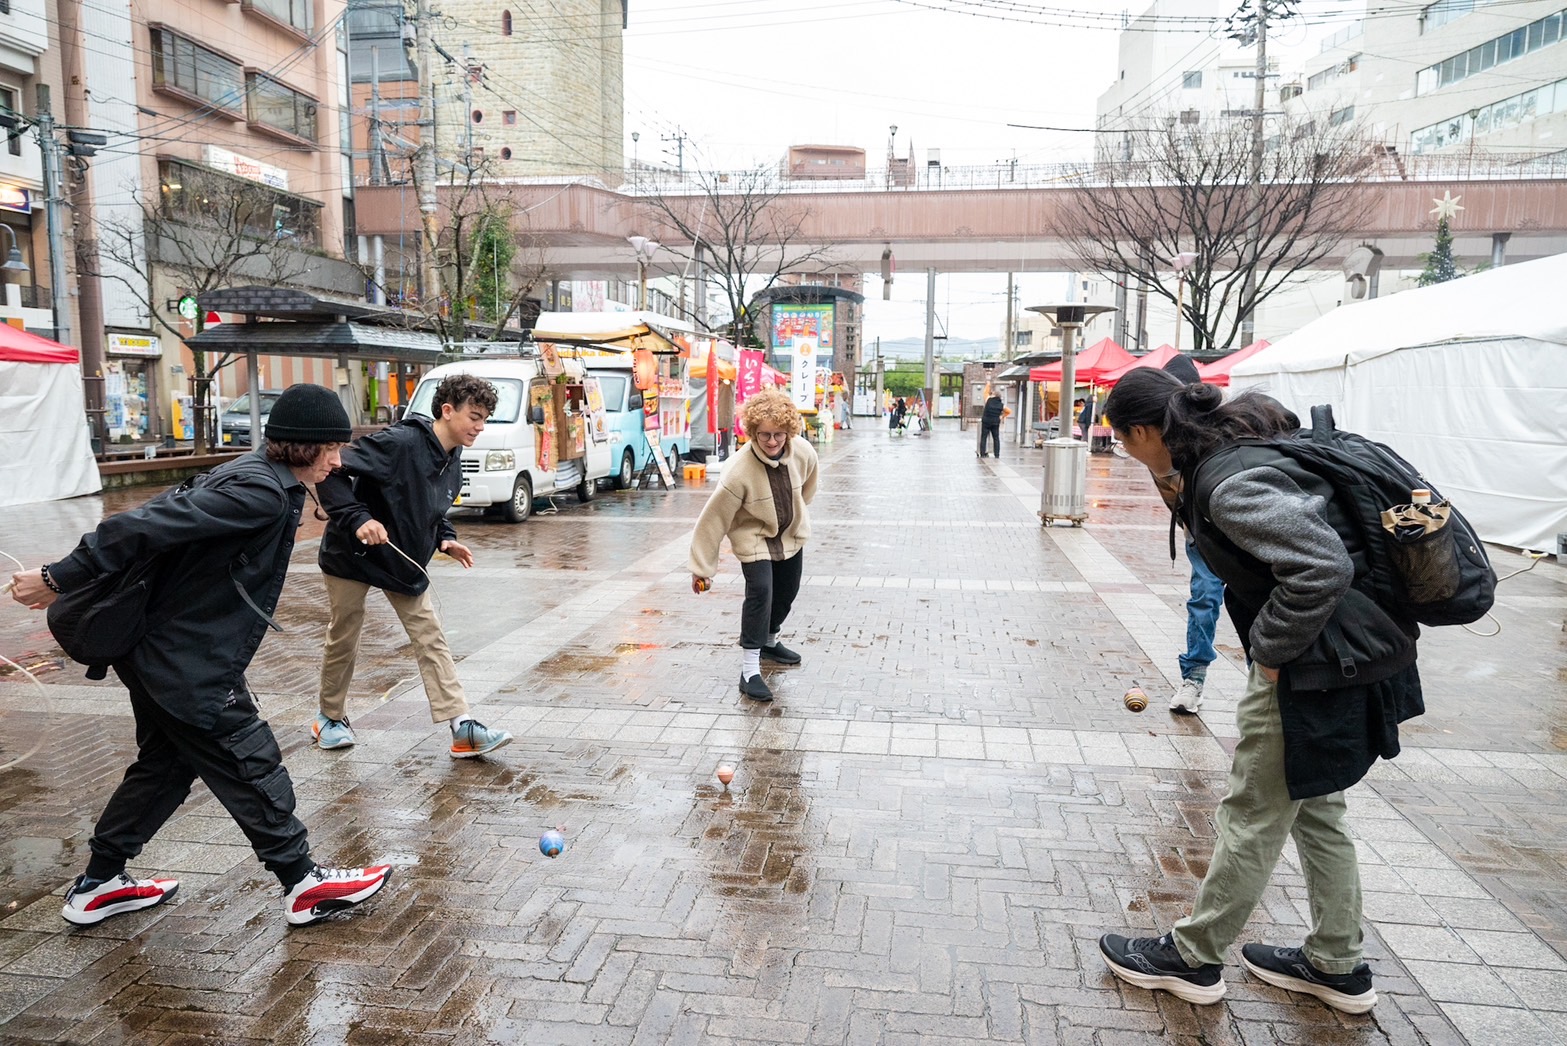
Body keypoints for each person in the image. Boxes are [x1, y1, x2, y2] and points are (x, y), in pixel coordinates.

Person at [1095, 368, 1423, 1013]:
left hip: (1311, 668)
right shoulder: (1226, 457)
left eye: (1124, 442)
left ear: (1140, 430)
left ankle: (1193, 957)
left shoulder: (1230, 479)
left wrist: (1269, 655)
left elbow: (1320, 566)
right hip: (1348, 657)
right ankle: (1336, 962)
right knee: (1319, 809)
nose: (1126, 455)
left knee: (1252, 811)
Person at [10, 385, 393, 928]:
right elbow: (140, 526)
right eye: (330, 448)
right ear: (300, 445)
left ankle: (98, 885)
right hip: (183, 655)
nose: (337, 460)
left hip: (164, 647)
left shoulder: (262, 476)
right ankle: (303, 882)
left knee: (164, 767)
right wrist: (58, 577)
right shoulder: (257, 490)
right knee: (247, 754)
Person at [312, 373, 511, 759]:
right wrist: (357, 519)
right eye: (474, 416)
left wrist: (446, 537)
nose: (480, 426)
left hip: (401, 563)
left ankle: (462, 727)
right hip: (351, 554)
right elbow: (330, 468)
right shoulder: (400, 441)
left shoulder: (452, 456)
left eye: (485, 418)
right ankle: (329, 718)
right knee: (345, 635)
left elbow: (433, 506)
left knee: (430, 636)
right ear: (448, 410)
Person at [689, 389, 819, 703]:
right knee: (761, 592)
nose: (772, 441)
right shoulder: (738, 470)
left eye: (779, 434)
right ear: (752, 433)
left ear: (789, 432)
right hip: (754, 539)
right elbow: (713, 520)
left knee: (787, 593)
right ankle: (749, 670)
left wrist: (796, 515)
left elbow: (810, 484)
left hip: (790, 537)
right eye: (764, 435)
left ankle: (770, 642)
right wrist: (702, 569)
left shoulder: (802, 452)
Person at [1156, 354, 1223, 713]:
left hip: (1237, 530)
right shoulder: (1159, 437)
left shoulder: (1220, 429)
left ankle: (1267, 688)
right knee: (1204, 600)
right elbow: (1171, 495)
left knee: (1254, 605)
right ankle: (1194, 678)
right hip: (1200, 534)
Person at [978, 387, 1008, 458]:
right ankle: (997, 454)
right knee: (996, 438)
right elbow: (1009, 411)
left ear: (994, 395)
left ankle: (982, 454)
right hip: (995, 423)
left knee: (984, 437)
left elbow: (985, 391)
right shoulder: (1001, 405)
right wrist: (1002, 416)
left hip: (986, 422)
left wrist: (988, 382)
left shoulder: (988, 399)